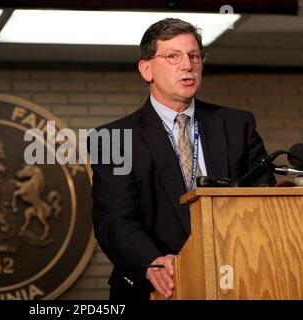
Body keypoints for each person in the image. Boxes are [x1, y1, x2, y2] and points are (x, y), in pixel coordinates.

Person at [90, 18, 276, 300]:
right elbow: (115, 220)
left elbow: (263, 201)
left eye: (194, 56)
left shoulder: (237, 125)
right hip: (157, 287)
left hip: (236, 280)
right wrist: (152, 262)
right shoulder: (117, 137)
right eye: (173, 56)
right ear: (146, 69)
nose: (187, 65)